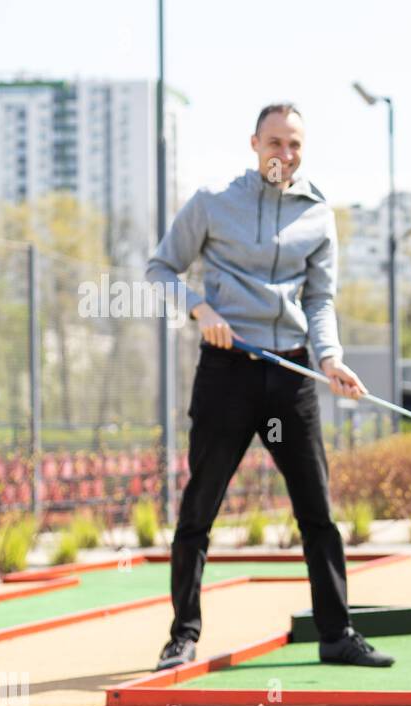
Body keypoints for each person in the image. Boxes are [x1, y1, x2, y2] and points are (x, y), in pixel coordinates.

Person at [146, 102, 394, 672]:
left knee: (318, 512)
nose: (286, 153)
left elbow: (320, 299)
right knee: (198, 509)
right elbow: (160, 269)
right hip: (226, 370)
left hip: (292, 373)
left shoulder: (319, 214)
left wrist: (330, 357)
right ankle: (182, 635)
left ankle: (336, 635)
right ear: (254, 143)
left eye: (296, 144)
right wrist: (199, 308)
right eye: (275, 142)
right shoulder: (212, 202)